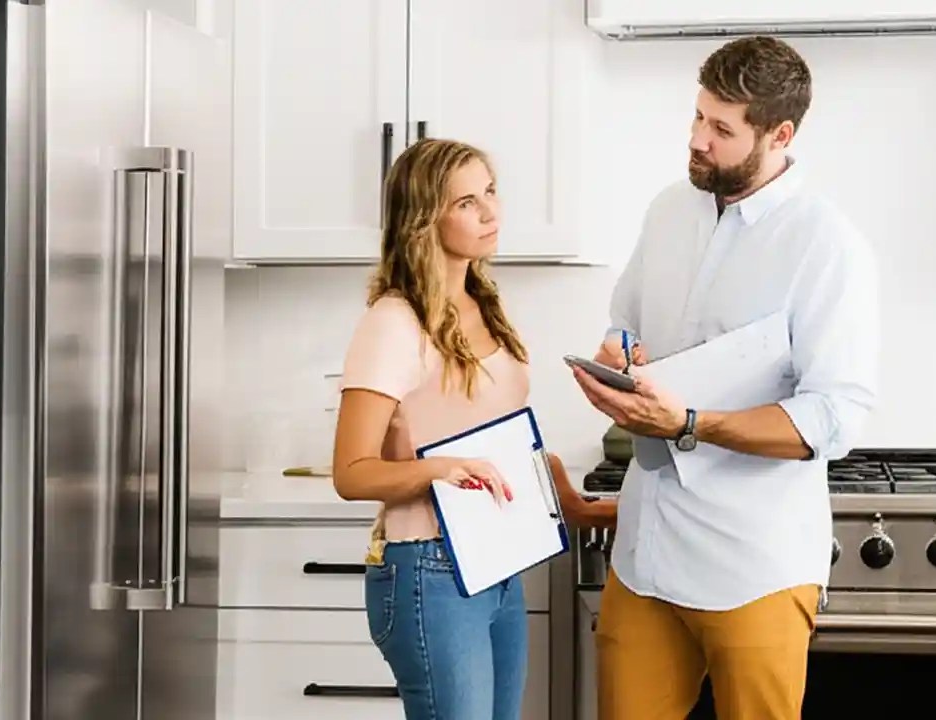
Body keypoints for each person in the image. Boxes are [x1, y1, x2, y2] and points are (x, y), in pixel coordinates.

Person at [568, 36, 880, 720]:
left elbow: (835, 416)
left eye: (721, 128)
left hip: (756, 563)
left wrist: (687, 425)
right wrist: (619, 357)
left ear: (780, 134)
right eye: (697, 117)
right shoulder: (669, 210)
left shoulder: (824, 244)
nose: (697, 139)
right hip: (646, 554)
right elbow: (626, 323)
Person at [332, 137, 592, 720]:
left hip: (498, 560)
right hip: (429, 567)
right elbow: (351, 473)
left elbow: (492, 430)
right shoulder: (394, 322)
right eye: (467, 202)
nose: (491, 212)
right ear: (425, 219)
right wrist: (441, 471)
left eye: (492, 192)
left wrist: (569, 498)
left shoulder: (483, 302)